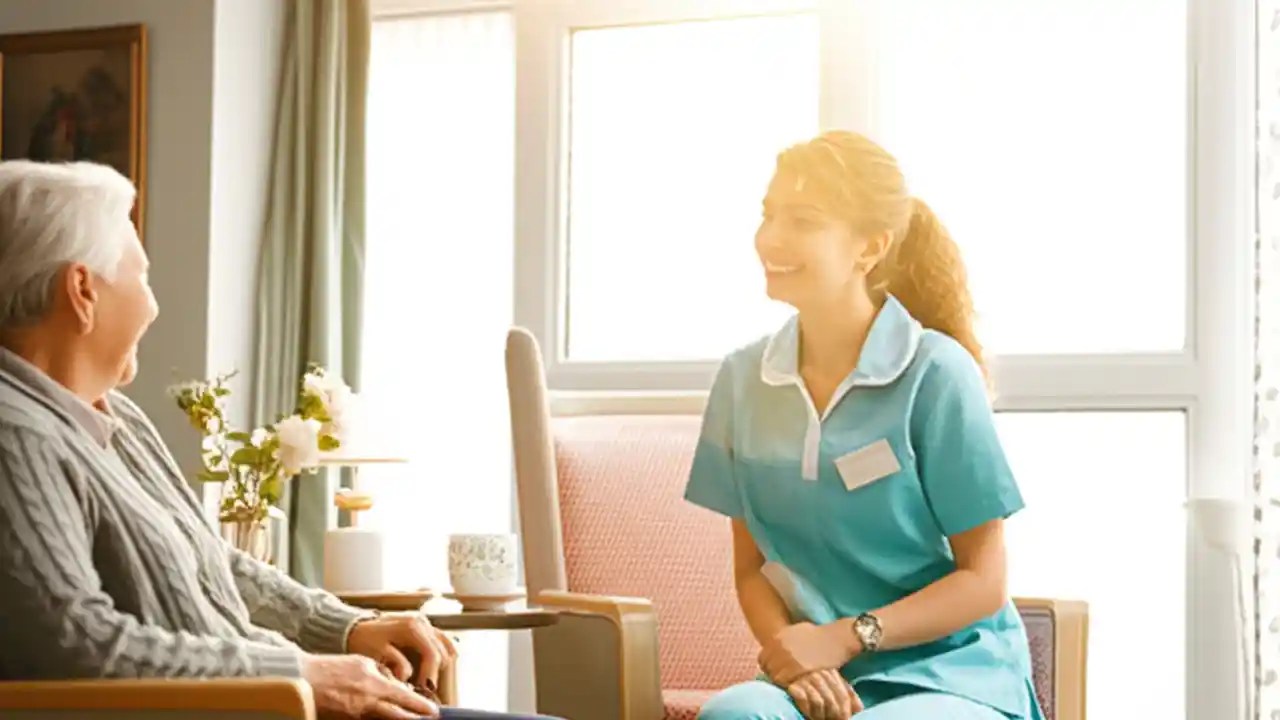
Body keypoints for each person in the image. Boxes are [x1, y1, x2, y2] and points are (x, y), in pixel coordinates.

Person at [0, 160, 558, 720]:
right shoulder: (16, 437)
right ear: (82, 291)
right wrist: (305, 675)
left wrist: (344, 628)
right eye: (142, 277)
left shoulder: (113, 416)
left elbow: (205, 560)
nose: (154, 304)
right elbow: (77, 645)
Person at [684, 131, 1042, 720]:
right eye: (769, 215)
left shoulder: (937, 374)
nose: (771, 238)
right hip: (821, 674)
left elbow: (983, 580)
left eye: (803, 221)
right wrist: (797, 658)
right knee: (734, 715)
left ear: (869, 248)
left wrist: (847, 637)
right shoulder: (742, 379)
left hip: (954, 676)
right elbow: (752, 569)